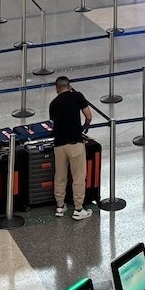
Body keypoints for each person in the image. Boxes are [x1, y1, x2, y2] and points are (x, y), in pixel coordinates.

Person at [49, 76, 94, 219]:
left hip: (59, 145)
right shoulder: (77, 96)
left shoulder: (53, 103)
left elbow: (54, 124)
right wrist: (84, 127)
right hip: (75, 143)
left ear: (57, 89)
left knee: (60, 177)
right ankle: (78, 209)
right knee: (78, 177)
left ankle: (60, 207)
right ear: (70, 86)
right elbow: (88, 115)